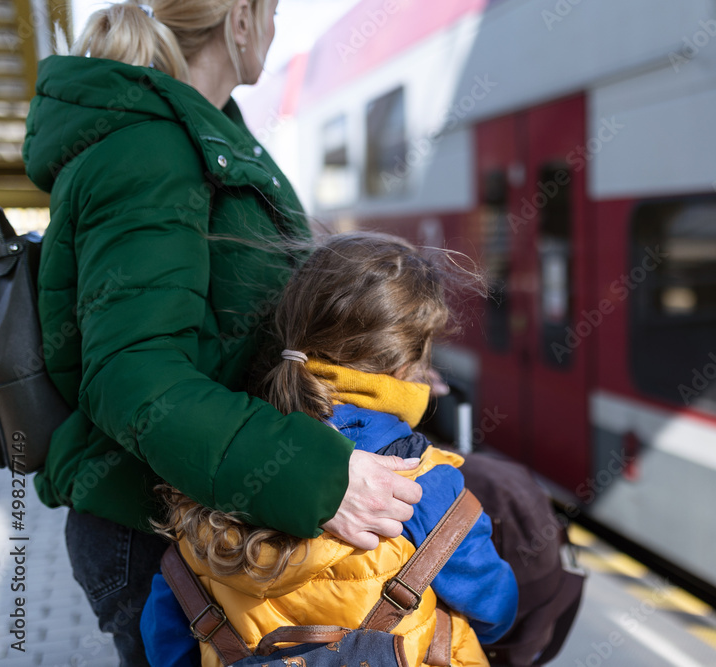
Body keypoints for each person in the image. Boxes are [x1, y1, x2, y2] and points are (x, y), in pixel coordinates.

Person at [22, 2, 422, 664]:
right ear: (239, 20)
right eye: (270, 13)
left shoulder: (199, 137)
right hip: (153, 531)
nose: (275, 30)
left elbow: (230, 338)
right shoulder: (150, 149)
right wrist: (323, 480)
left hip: (194, 512)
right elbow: (135, 379)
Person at [142, 232, 518, 667]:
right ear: (408, 361)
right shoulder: (425, 478)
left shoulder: (225, 459)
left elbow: (166, 632)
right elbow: (493, 606)